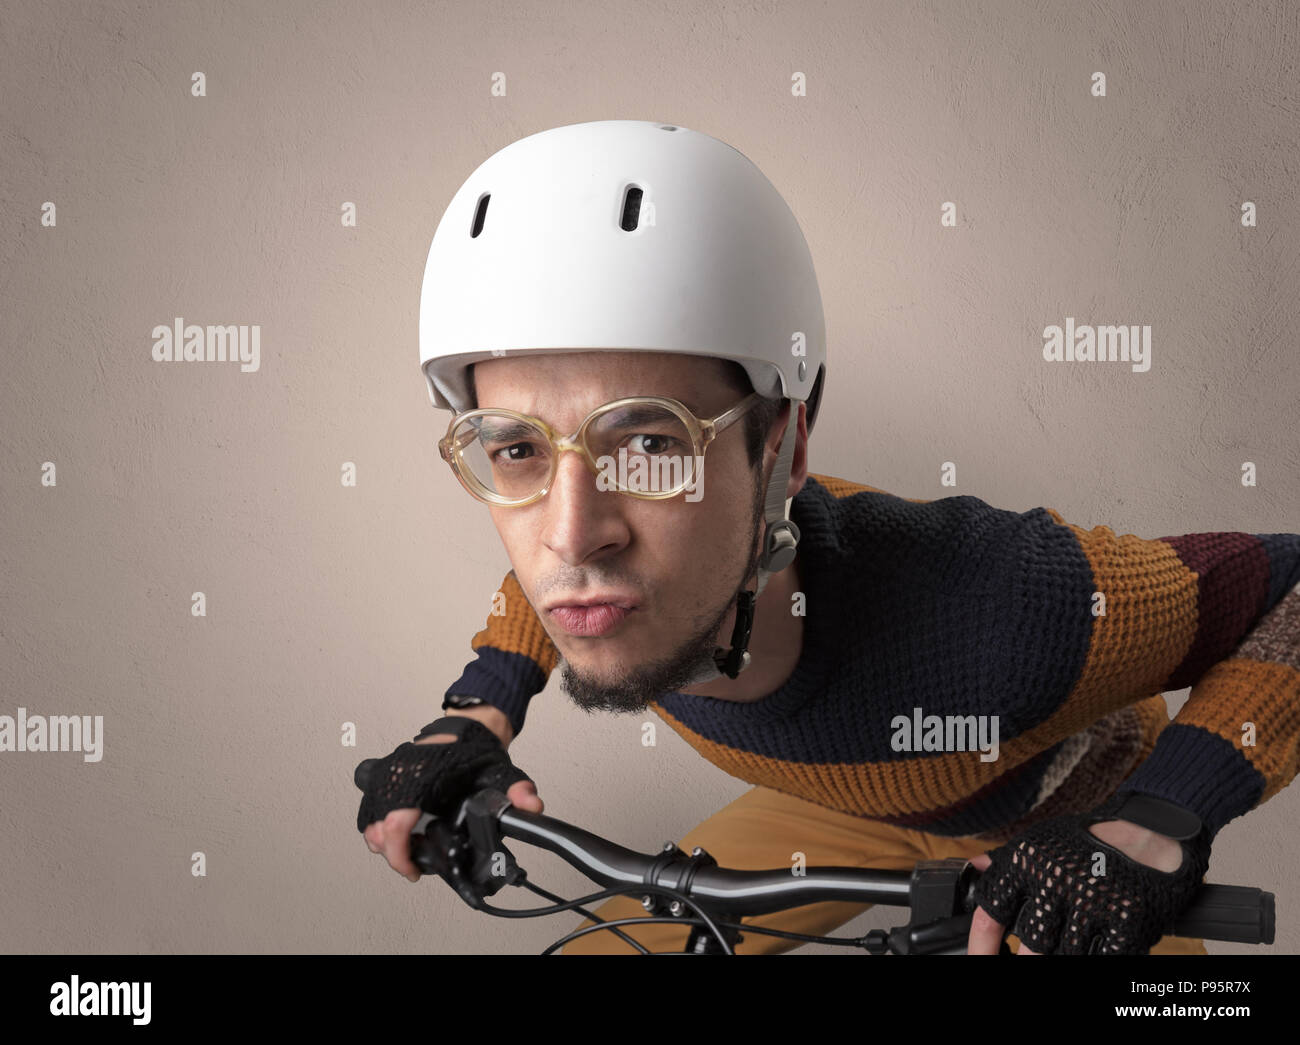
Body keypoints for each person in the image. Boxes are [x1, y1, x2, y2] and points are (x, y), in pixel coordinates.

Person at [356, 119, 1300, 955]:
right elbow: (547, 565)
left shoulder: (1008, 609)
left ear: (783, 447)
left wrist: (1160, 821)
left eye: (649, 443)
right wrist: (479, 709)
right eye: (516, 448)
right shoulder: (608, 564)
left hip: (1064, 828)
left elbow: (1292, 583)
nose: (572, 535)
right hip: (842, 805)